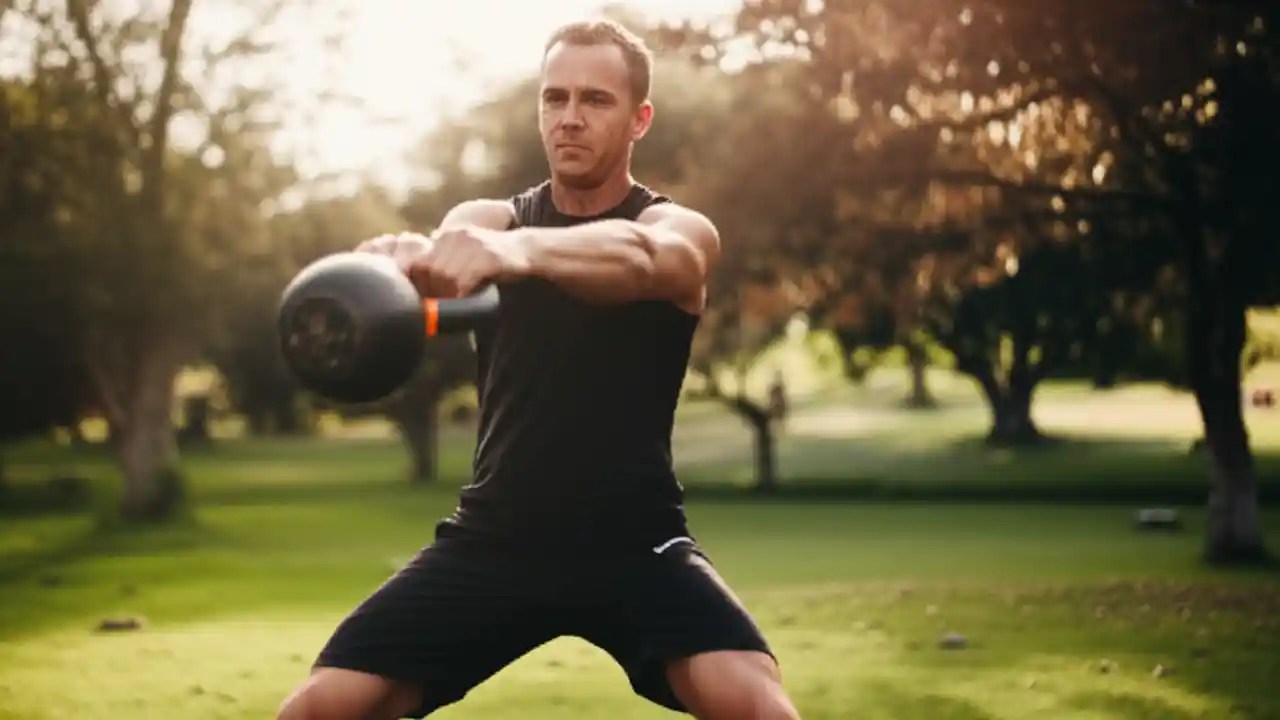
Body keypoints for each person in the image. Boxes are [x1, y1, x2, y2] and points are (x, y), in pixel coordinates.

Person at [276, 18, 801, 720]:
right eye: (555, 99)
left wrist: (517, 255)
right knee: (317, 710)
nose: (570, 119)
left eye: (595, 100)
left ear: (639, 118)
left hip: (634, 540)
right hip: (496, 538)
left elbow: (644, 262)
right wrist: (397, 267)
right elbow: (440, 275)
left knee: (760, 708)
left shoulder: (674, 230)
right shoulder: (487, 219)